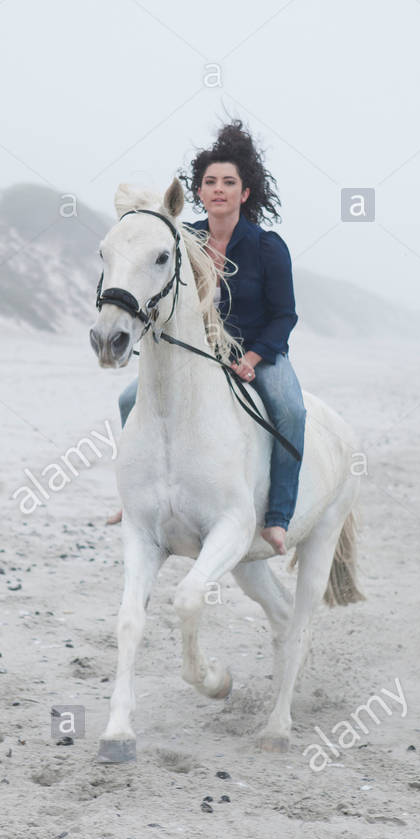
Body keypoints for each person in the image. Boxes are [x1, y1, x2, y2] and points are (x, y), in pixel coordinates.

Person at [106, 119, 306, 556]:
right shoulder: (183, 238)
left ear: (245, 192)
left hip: (258, 354)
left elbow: (285, 315)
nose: (218, 189)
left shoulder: (268, 247)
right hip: (198, 353)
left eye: (229, 182)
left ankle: (277, 516)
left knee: (291, 410)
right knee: (127, 400)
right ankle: (135, 500)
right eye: (210, 182)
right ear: (197, 192)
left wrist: (253, 357)